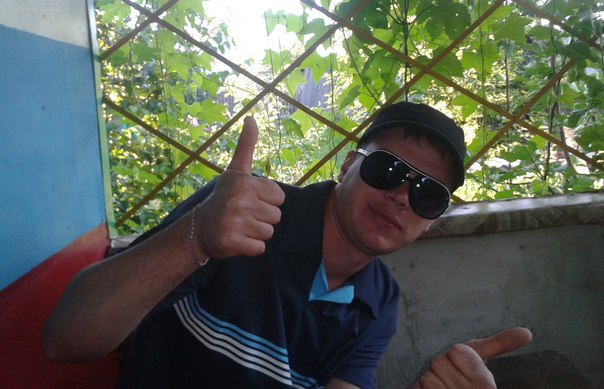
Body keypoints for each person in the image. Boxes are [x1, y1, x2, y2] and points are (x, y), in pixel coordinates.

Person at [44, 102, 532, 388]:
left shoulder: (379, 301)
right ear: (348, 166)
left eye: (428, 195)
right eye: (387, 169)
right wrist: (196, 239)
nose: (402, 197)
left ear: (430, 222)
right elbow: (65, 340)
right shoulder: (243, 215)